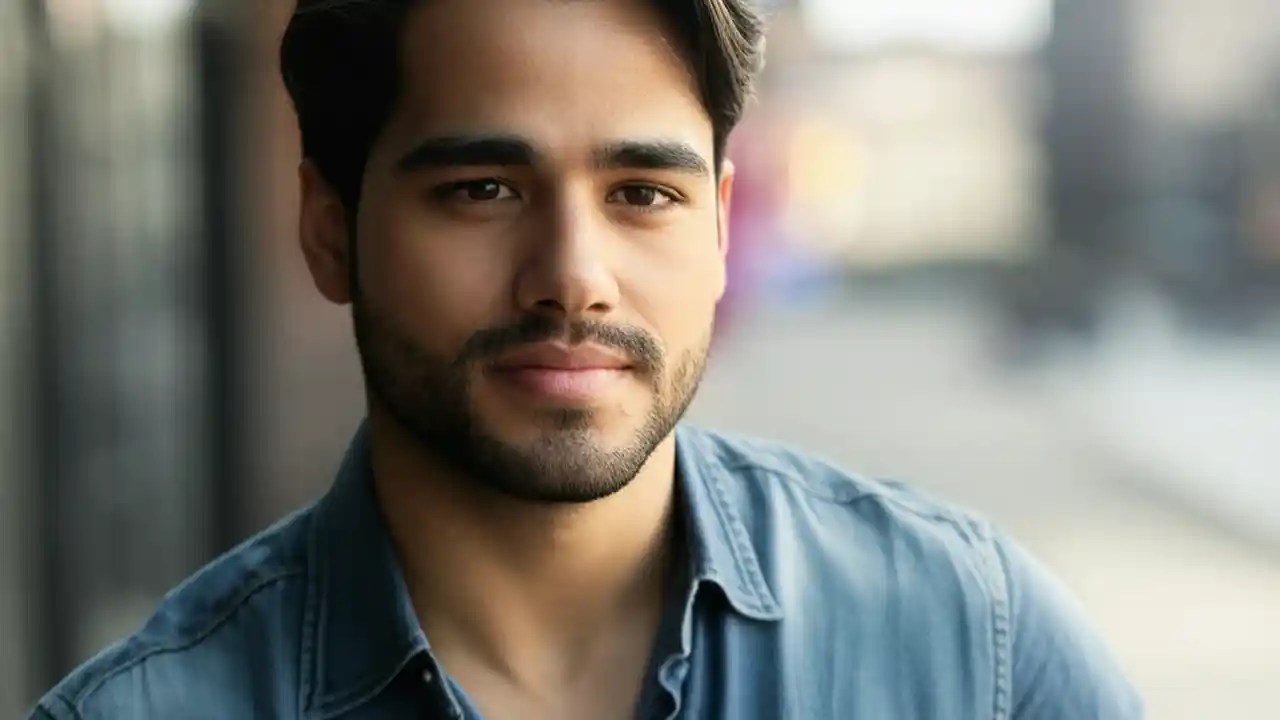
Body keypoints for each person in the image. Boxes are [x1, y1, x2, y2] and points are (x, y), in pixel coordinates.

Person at [29, 0, 1144, 718]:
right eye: (481, 191)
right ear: (330, 230)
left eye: (641, 194)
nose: (572, 275)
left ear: (716, 232)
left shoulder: (968, 646)